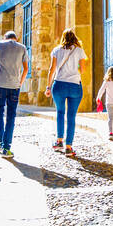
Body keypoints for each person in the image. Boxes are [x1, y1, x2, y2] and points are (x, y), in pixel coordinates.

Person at [46, 29, 87, 158]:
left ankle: (59, 141)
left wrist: (48, 86)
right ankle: (69, 147)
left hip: (59, 85)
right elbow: (83, 69)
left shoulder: (56, 50)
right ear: (74, 38)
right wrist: (75, 68)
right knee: (71, 116)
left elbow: (52, 69)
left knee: (60, 112)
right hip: (75, 85)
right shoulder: (79, 51)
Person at [0, 29, 28, 159]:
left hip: (0, 84)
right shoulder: (22, 47)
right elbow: (26, 69)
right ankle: (6, 148)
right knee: (11, 115)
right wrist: (20, 82)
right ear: (16, 39)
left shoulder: (0, 44)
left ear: (5, 38)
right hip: (14, 86)